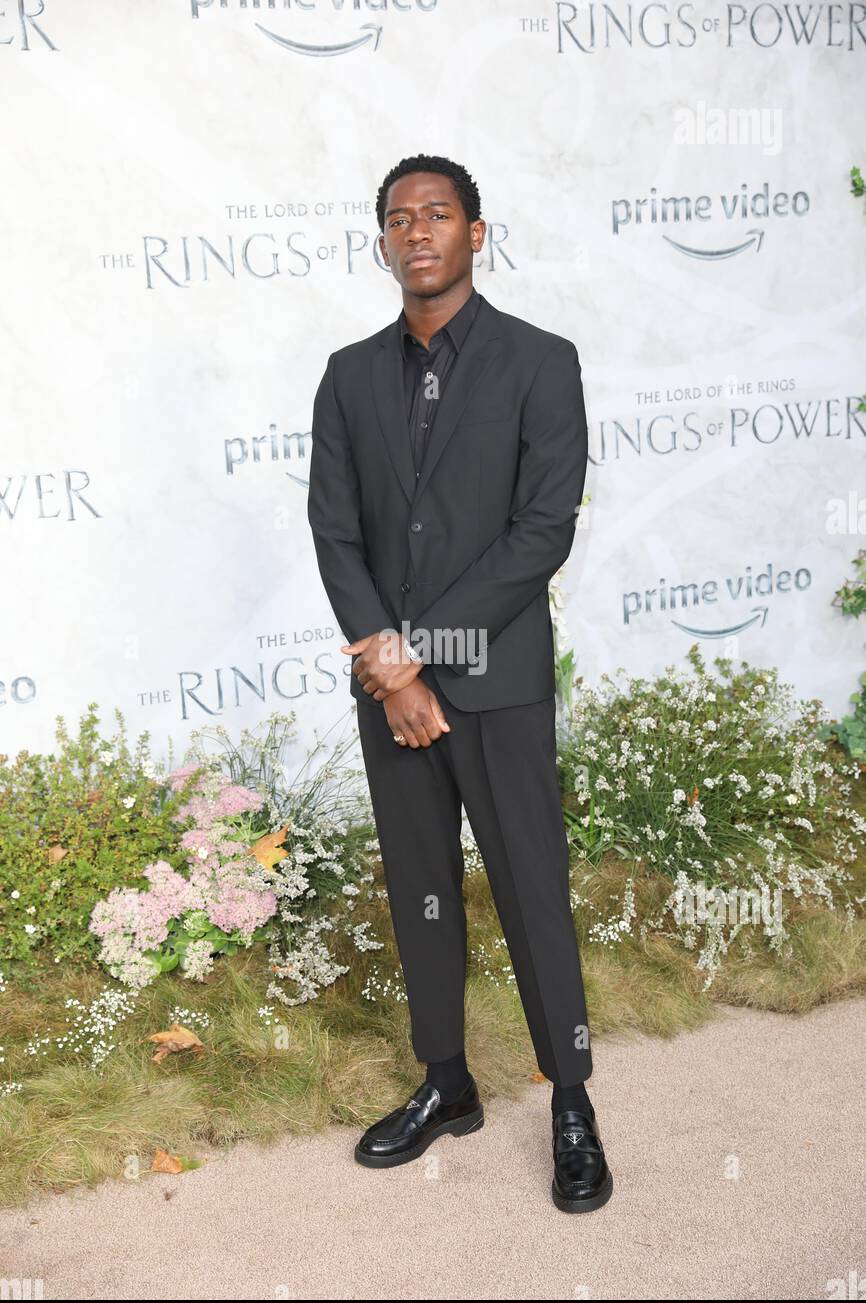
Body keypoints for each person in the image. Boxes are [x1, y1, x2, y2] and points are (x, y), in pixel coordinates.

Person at [307, 153, 612, 1212]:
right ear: (382, 243)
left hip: (497, 683)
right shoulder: (346, 376)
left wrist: (416, 657)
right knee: (420, 888)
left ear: (475, 234)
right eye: (398, 218)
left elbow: (539, 534)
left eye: (437, 214)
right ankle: (444, 1080)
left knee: (531, 886)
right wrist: (386, 673)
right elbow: (334, 533)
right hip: (390, 690)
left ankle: (569, 1098)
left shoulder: (540, 361)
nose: (417, 230)